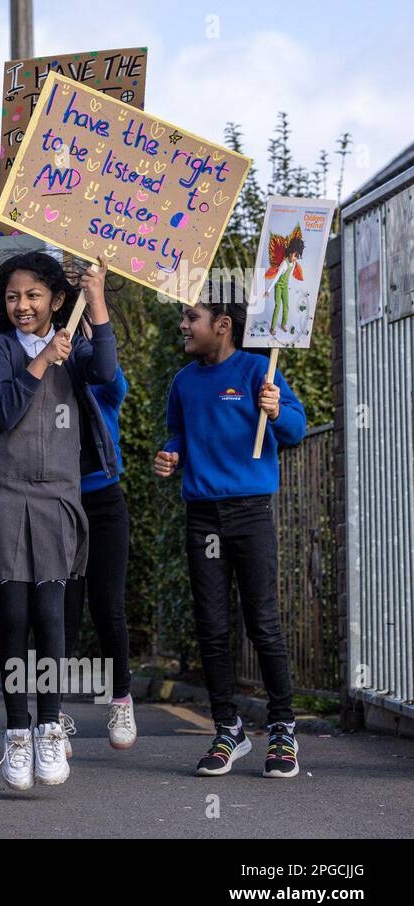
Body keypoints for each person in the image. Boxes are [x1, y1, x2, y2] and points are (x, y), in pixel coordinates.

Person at [0, 251, 115, 791]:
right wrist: (41, 361)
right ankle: (17, 733)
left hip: (56, 497)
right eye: (13, 296)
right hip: (3, 493)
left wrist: (98, 300)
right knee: (14, 619)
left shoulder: (77, 343)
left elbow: (107, 374)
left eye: (34, 296)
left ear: (56, 300)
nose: (22, 305)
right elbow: (2, 412)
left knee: (52, 619)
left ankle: (49, 726)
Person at [154, 294, 305, 778]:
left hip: (251, 513)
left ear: (223, 325)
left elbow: (297, 429)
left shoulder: (259, 372)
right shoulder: (182, 382)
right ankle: (228, 730)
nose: (183, 325)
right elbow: (176, 433)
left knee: (262, 622)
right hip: (203, 516)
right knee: (212, 627)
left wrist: (277, 409)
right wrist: (170, 455)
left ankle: (283, 729)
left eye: (190, 318)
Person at [62, 359, 137, 752]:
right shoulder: (45, 372)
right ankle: (51, 713)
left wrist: (94, 323)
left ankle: (121, 699)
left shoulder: (101, 372)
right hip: (60, 500)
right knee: (62, 609)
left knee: (108, 605)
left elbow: (112, 381)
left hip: (104, 500)